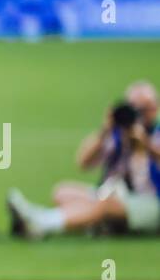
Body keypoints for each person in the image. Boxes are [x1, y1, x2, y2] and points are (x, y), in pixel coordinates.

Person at [8, 81, 160, 239]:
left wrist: (146, 145)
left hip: (152, 202)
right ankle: (102, 223)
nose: (141, 114)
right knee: (63, 192)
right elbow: (83, 162)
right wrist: (105, 130)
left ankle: (41, 222)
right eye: (134, 109)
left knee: (105, 204)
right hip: (115, 195)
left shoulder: (156, 135)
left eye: (145, 108)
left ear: (156, 107)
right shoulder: (117, 136)